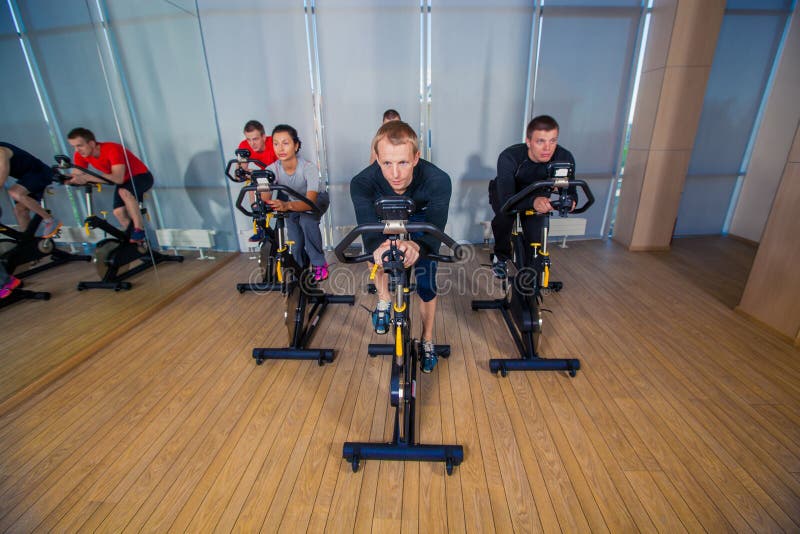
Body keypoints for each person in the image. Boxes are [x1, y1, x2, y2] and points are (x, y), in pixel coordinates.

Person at [351, 120, 452, 373]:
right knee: (377, 256)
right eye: (387, 163)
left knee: (427, 279)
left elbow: (435, 229)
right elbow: (368, 230)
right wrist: (379, 248)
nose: (395, 174)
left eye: (403, 162)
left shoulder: (438, 180)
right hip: (382, 215)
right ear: (377, 158)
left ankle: (427, 339)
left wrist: (417, 245)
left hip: (421, 217)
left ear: (416, 157)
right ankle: (384, 299)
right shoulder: (362, 182)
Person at [489, 114, 577, 279]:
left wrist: (570, 200)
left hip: (539, 194)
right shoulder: (510, 157)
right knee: (504, 218)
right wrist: (532, 201)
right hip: (507, 192)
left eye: (552, 141)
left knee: (536, 230)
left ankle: (534, 258)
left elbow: (572, 191)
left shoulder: (564, 158)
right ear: (528, 142)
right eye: (540, 141)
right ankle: (501, 257)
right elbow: (507, 198)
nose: (547, 148)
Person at [263, 124, 330, 282]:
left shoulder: (308, 168)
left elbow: (310, 202)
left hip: (317, 200)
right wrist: (262, 183)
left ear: (296, 145)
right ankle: (298, 268)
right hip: (293, 203)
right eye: (276, 143)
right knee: (295, 236)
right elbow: (265, 199)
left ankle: (319, 263)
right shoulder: (272, 170)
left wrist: (286, 206)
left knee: (307, 221)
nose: (280, 148)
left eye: (285, 143)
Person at [66, 128, 153, 244]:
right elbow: (76, 174)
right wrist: (67, 179)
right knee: (118, 212)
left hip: (141, 176)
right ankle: (138, 242)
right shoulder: (80, 155)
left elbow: (118, 178)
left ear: (91, 143)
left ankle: (139, 229)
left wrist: (88, 178)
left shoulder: (112, 149)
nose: (77, 150)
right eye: (74, 147)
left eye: (79, 146)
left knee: (124, 192)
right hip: (123, 182)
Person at [0, 142, 62, 237]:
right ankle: (28, 242)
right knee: (20, 210)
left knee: (15, 192)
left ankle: (50, 220)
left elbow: (2, 177)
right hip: (26, 179)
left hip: (39, 173)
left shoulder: (1, 151)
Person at [237, 120, 278, 242]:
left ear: (264, 137)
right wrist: (241, 172)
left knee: (261, 184)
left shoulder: (274, 143)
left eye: (255, 139)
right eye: (249, 139)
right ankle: (260, 226)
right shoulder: (244, 146)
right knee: (253, 185)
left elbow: (282, 168)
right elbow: (240, 169)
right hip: (265, 175)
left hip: (281, 172)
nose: (252, 143)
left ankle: (262, 222)